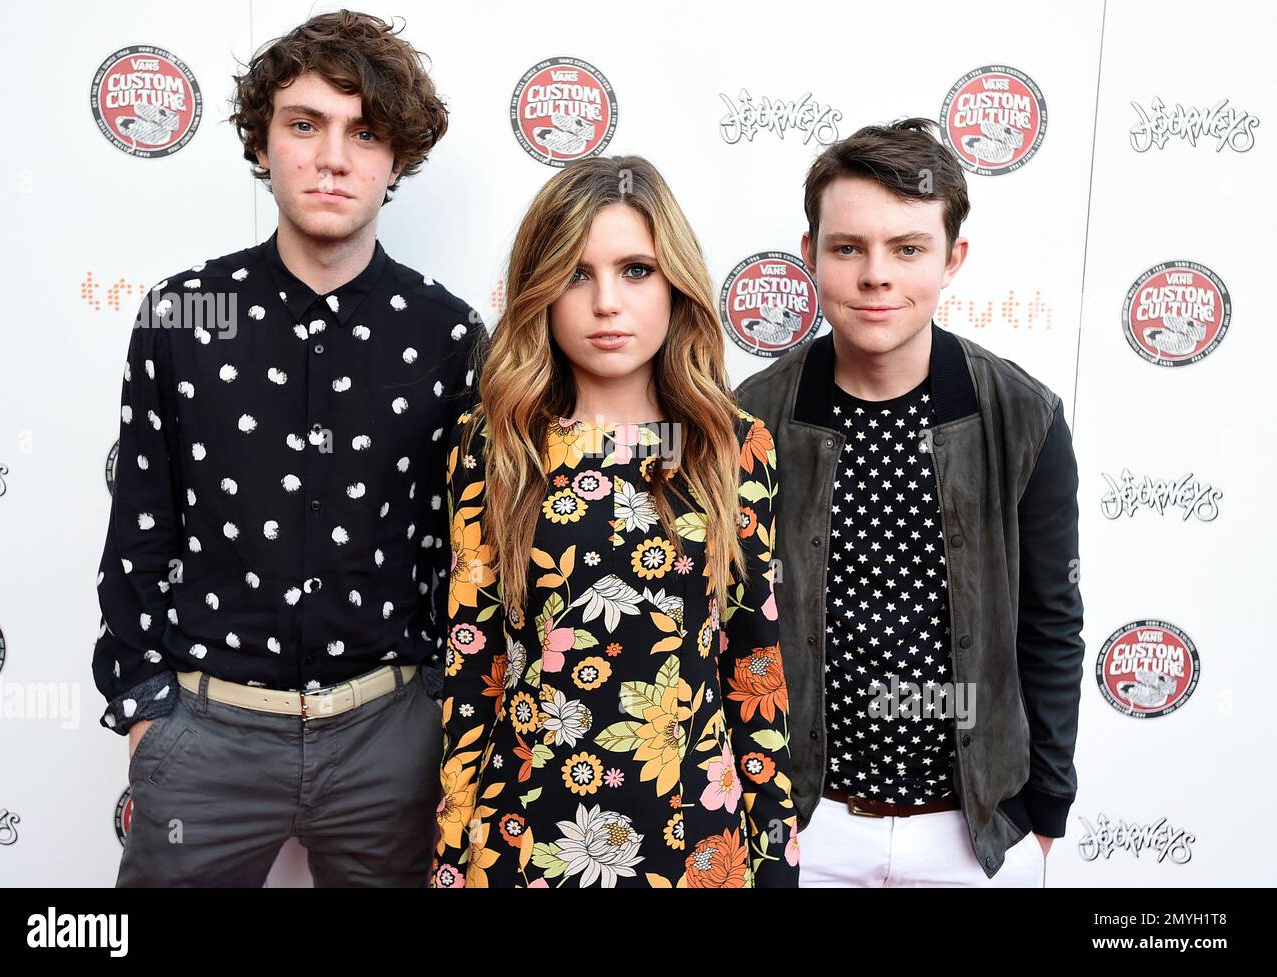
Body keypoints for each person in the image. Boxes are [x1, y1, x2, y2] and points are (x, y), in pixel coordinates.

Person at [92, 10, 486, 886]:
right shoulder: (184, 313)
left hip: (392, 740)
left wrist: (436, 711)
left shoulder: (449, 333)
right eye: (304, 124)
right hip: (205, 733)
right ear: (263, 142)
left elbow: (466, 548)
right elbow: (140, 526)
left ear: (396, 159)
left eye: (365, 132)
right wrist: (148, 710)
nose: (333, 156)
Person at [430, 155, 798, 888]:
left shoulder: (734, 446)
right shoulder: (494, 444)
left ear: (675, 283)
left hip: (697, 838)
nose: (606, 302)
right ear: (539, 288)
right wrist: (450, 853)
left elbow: (754, 667)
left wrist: (775, 853)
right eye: (575, 272)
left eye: (635, 270)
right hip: (525, 832)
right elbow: (473, 666)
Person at [737, 118, 1083, 887]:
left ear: (952, 258)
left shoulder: (1024, 416)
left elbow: (1052, 620)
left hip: (973, 833)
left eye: (908, 248)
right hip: (805, 824)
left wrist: (1044, 817)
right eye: (849, 247)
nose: (876, 275)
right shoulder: (750, 417)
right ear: (810, 255)